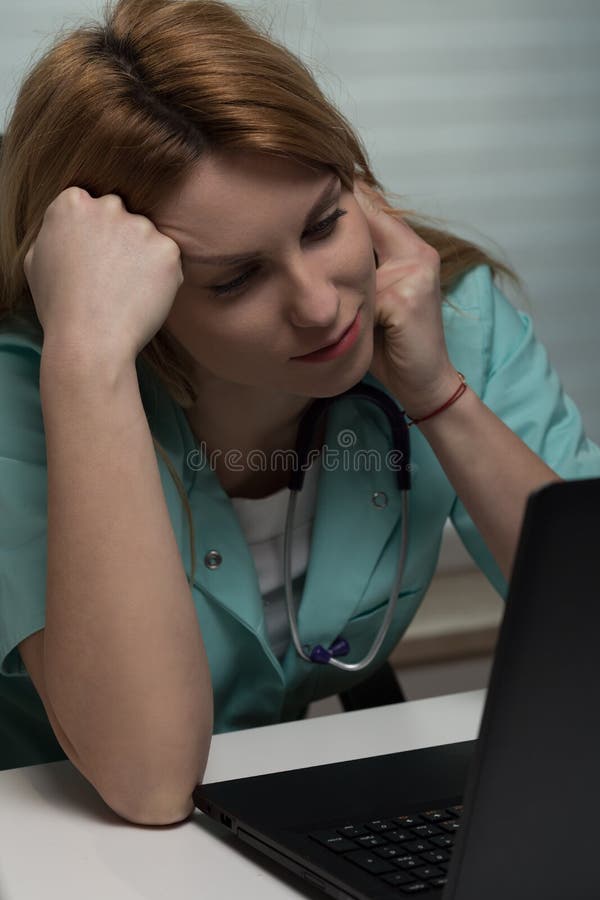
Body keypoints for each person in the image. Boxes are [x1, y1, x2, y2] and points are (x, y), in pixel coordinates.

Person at [0, 0, 598, 826]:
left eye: (323, 224)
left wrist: (437, 396)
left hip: (261, 831)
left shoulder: (443, 313)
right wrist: (89, 361)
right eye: (237, 279)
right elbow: (146, 782)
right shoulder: (38, 383)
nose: (322, 308)